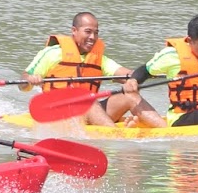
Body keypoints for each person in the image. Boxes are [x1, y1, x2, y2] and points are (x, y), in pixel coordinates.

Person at [19, 11, 165, 128]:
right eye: (88, 32)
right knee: (87, 102)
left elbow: (127, 75)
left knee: (129, 94)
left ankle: (166, 130)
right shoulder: (52, 53)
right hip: (60, 116)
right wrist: (30, 80)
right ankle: (117, 136)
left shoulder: (99, 58)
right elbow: (22, 83)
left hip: (90, 112)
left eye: (96, 32)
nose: (92, 37)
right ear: (74, 31)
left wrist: (145, 74)